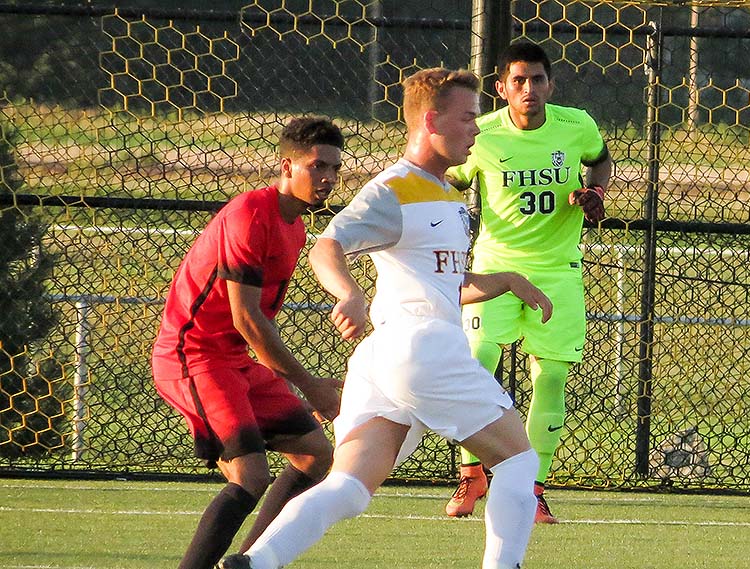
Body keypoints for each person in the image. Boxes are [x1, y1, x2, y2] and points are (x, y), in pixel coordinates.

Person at [217, 67, 552, 569]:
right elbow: (327, 246)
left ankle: (256, 563)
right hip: (422, 347)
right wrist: (348, 293)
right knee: (519, 461)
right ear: (432, 121)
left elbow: (444, 284)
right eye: (468, 118)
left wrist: (504, 280)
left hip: (386, 358)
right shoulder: (393, 190)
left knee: (349, 488)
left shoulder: (449, 196)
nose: (477, 129)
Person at [151, 117, 345, 569]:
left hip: (233, 361)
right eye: (317, 166)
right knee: (249, 474)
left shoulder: (294, 227)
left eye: (335, 169)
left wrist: (298, 384)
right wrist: (310, 385)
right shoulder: (249, 215)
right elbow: (248, 319)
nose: (328, 178)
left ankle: (249, 563)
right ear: (287, 165)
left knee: (316, 455)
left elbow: (254, 330)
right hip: (191, 357)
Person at [445, 40, 613, 524]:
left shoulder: (575, 124)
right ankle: (472, 473)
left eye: (537, 79)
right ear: (501, 88)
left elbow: (600, 160)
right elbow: (448, 181)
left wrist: (596, 191)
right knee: (478, 362)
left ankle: (531, 489)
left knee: (553, 375)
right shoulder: (483, 135)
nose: (529, 89)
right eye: (518, 81)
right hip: (495, 269)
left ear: (550, 84)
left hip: (557, 269)